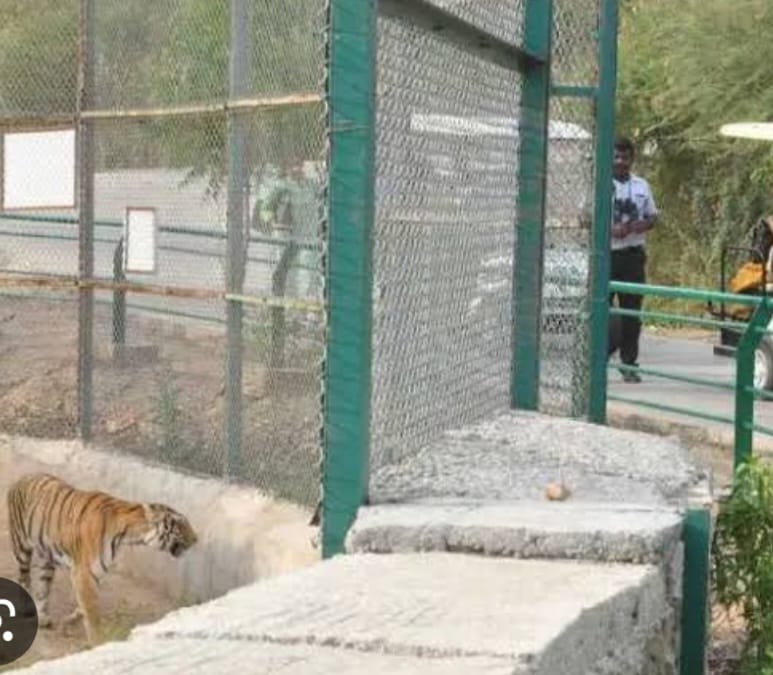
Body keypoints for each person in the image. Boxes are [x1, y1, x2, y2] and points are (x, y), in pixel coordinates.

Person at [608, 137, 658, 382]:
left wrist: (642, 225)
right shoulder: (600, 184)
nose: (620, 162)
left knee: (631, 312)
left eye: (625, 157)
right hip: (606, 255)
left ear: (632, 159)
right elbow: (586, 218)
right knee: (601, 310)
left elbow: (653, 217)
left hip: (632, 256)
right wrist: (609, 229)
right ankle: (597, 360)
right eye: (616, 156)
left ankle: (629, 364)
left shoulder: (641, 185)